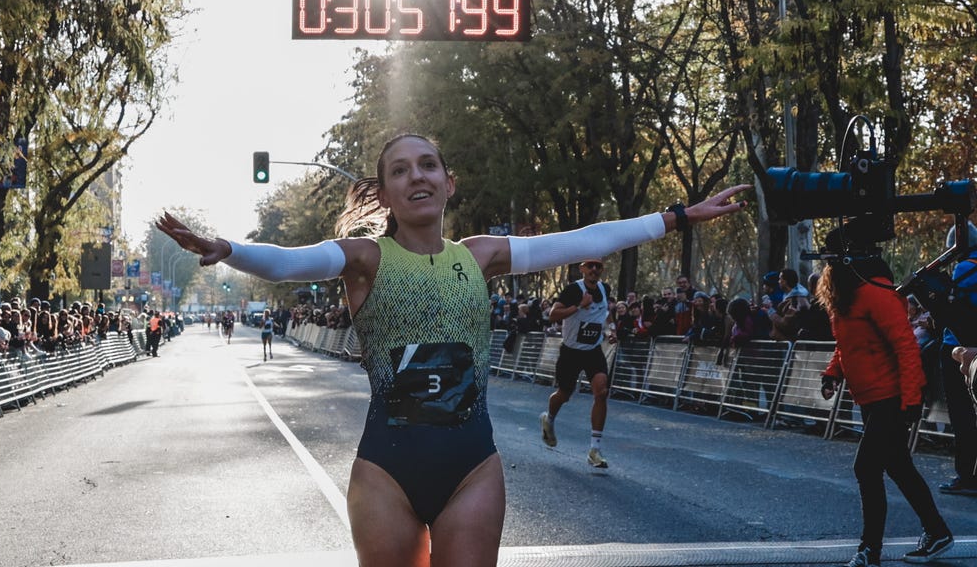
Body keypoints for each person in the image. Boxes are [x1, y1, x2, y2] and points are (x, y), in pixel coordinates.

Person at [156, 133, 749, 566]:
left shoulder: (480, 255)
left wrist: (679, 216)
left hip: (472, 470)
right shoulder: (365, 259)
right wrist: (229, 249)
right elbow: (290, 262)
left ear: (448, 182)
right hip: (385, 472)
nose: (416, 176)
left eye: (428, 165)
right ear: (384, 194)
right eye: (399, 170)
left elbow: (584, 240)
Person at [817, 242, 953, 567]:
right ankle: (937, 532)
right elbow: (847, 344)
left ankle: (870, 550)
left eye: (831, 260)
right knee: (898, 467)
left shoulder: (876, 293)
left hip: (889, 397)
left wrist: (911, 398)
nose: (827, 267)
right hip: (871, 396)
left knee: (866, 468)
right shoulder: (846, 296)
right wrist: (833, 373)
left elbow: (906, 346)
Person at [540, 259, 616, 468]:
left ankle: (595, 449)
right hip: (571, 352)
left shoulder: (604, 288)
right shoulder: (573, 290)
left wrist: (611, 330)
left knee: (601, 392)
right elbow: (553, 315)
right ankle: (549, 418)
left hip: (593, 351)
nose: (594, 270)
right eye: (590, 266)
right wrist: (579, 306)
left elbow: (606, 314)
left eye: (598, 266)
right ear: (582, 269)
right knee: (564, 394)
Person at [935, 221, 977, 496]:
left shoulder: (964, 269)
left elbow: (951, 309)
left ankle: (967, 475)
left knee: (962, 415)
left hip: (957, 348)